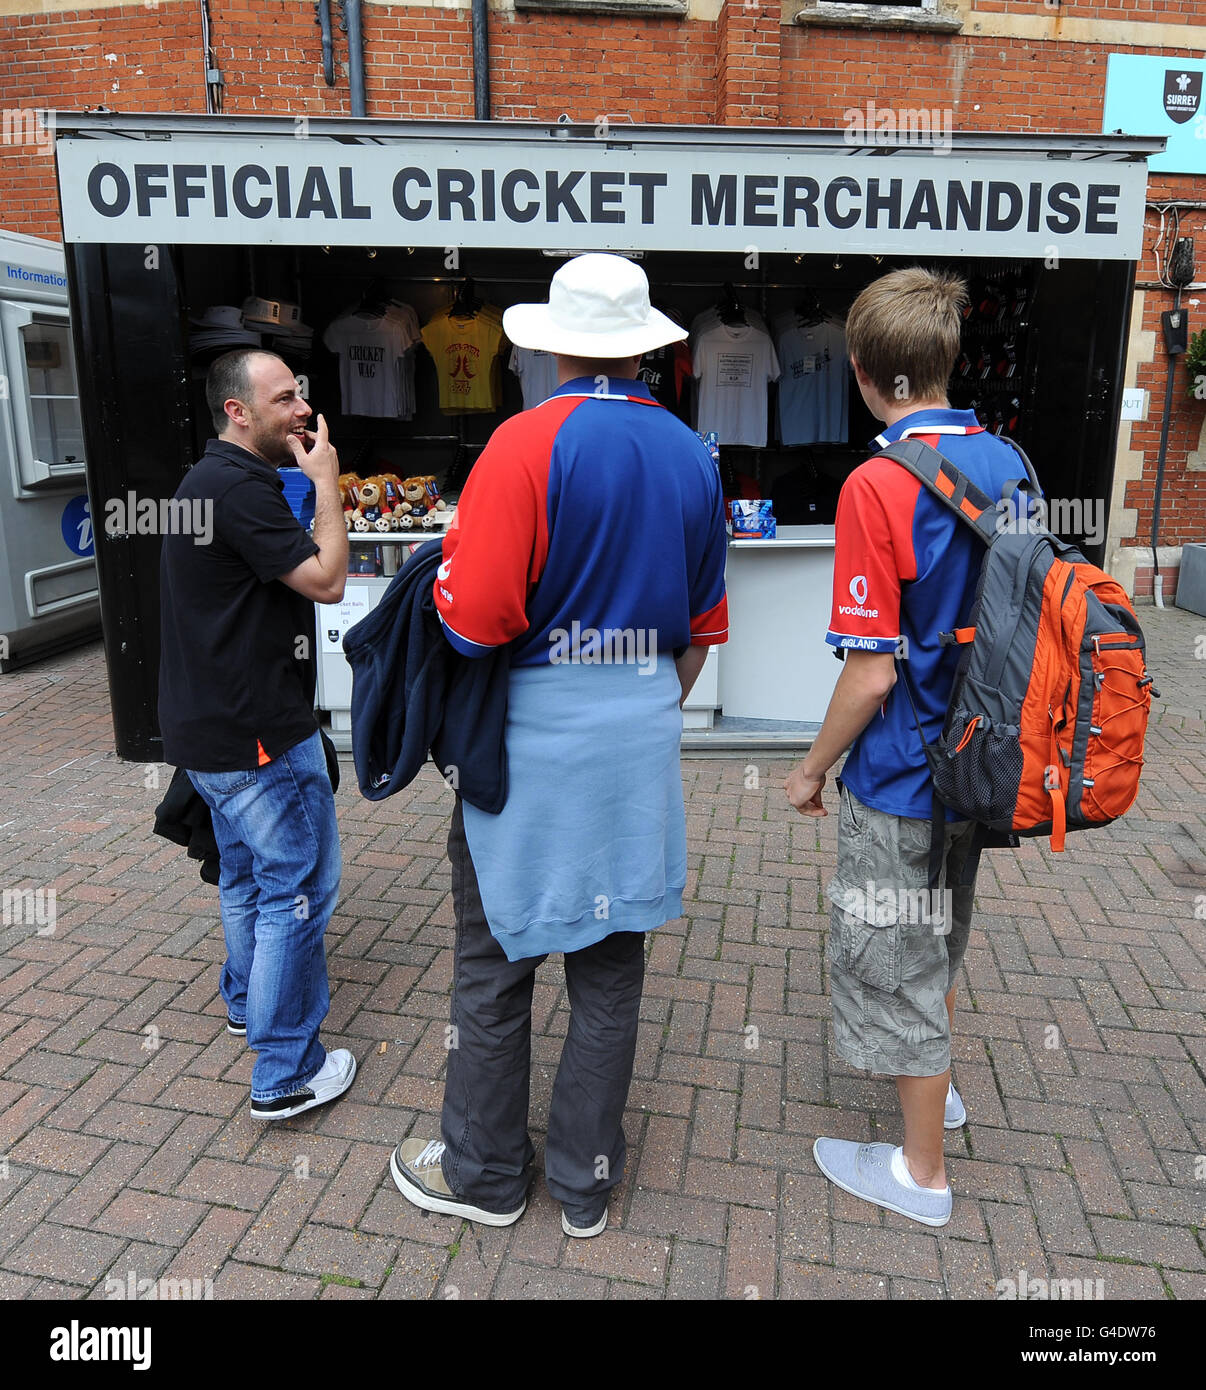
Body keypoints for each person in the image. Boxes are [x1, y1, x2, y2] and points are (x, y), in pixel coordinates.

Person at [389, 254, 730, 1237]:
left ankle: (487, 1175)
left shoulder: (521, 444)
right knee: (611, 974)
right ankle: (584, 1185)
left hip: (528, 742)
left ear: (553, 343)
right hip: (637, 731)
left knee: (493, 963)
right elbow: (704, 628)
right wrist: (641, 704)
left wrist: (442, 573)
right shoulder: (689, 455)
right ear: (640, 348)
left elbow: (474, 625)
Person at [784, 267, 1032, 1226]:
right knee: (940, 936)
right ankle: (942, 1095)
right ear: (945, 359)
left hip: (900, 774)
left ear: (859, 370)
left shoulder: (876, 485)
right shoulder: (1011, 462)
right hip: (986, 762)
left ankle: (921, 1174)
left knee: (893, 958)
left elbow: (872, 672)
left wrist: (811, 770)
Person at [158, 348, 357, 1120]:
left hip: (210, 733)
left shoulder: (207, 480)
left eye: (300, 395)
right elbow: (328, 580)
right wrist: (326, 484)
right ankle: (285, 1071)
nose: (302, 410)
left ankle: (245, 1000)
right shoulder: (241, 490)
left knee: (245, 875)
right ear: (238, 411)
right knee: (298, 889)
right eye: (284, 400)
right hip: (259, 738)